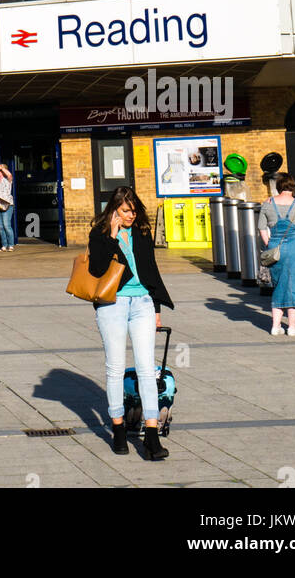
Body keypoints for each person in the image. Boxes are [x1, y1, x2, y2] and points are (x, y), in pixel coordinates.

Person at [88, 186, 174, 461]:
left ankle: (150, 436)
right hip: (112, 305)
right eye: (125, 211)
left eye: (134, 211)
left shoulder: (142, 231)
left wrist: (157, 306)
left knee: (147, 370)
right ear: (114, 210)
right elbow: (98, 269)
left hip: (143, 304)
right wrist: (112, 236)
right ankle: (119, 431)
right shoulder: (99, 234)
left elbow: (151, 270)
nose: (130, 216)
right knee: (114, 368)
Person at [258, 173, 295, 336]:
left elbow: (261, 227)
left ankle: (275, 326)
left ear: (278, 187)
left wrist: (270, 245)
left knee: (279, 284)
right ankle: (293, 327)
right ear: (292, 188)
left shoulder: (267, 204)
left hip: (276, 247)